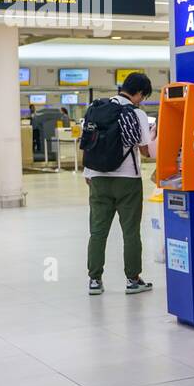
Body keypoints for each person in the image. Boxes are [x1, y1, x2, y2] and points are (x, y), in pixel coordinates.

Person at [83, 72, 155, 295]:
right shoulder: (136, 113)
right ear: (140, 93)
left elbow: (88, 143)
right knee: (130, 232)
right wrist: (154, 136)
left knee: (97, 232)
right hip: (127, 181)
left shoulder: (96, 109)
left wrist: (89, 174)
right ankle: (133, 280)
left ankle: (95, 280)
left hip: (96, 178)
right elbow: (145, 151)